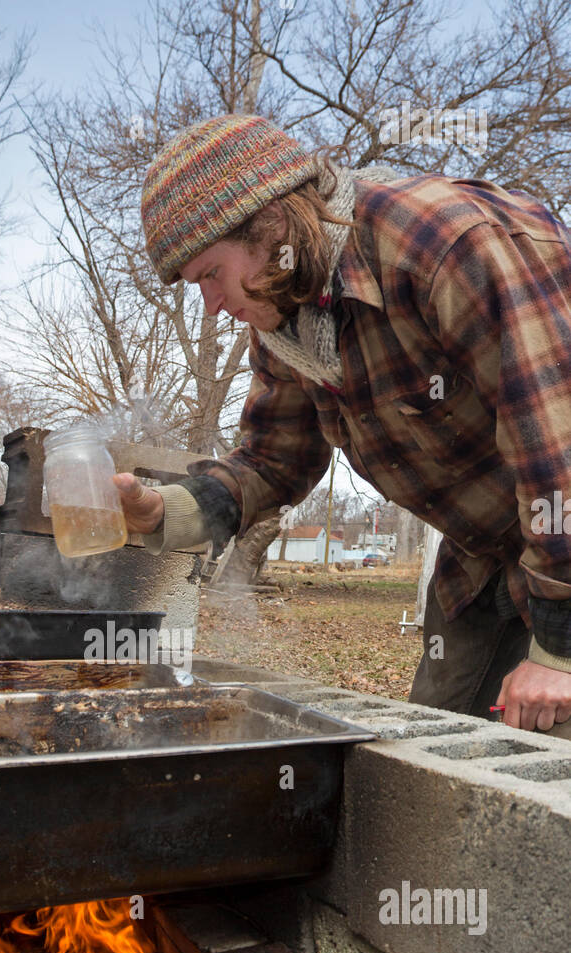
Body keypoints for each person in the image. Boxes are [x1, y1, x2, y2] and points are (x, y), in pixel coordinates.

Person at [113, 113, 571, 735]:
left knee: (546, 777)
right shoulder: (286, 323)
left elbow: (558, 438)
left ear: (267, 223)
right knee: (430, 756)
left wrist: (561, 647)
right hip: (482, 563)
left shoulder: (440, 242)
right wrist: (167, 511)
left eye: (208, 276)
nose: (212, 307)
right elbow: (275, 458)